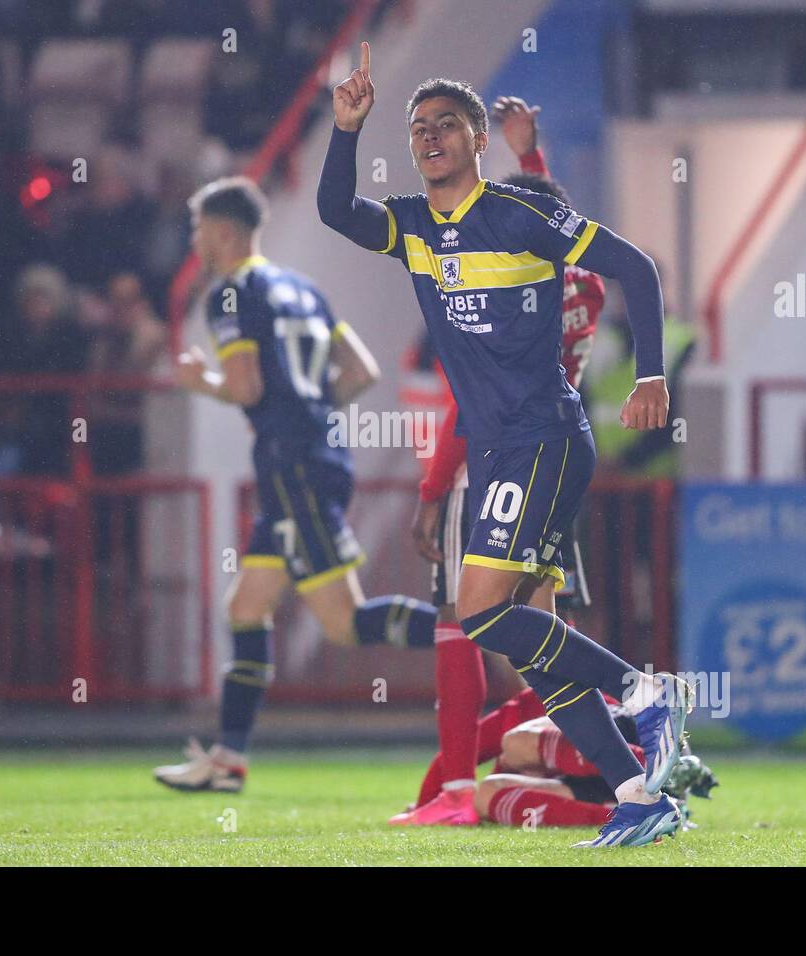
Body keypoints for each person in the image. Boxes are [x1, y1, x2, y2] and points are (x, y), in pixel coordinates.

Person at [318, 43, 690, 848]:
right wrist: (345, 130)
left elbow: (636, 269)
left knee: (483, 613)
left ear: (477, 140)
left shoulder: (520, 216)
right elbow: (334, 213)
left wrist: (651, 376)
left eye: (447, 124)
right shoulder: (414, 227)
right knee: (528, 640)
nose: (428, 137)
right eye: (418, 127)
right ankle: (638, 793)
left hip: (544, 440)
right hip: (495, 454)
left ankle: (643, 693)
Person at [153, 177, 439, 793]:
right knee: (246, 607)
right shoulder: (302, 289)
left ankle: (474, 627)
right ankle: (228, 759)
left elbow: (249, 389)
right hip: (314, 455)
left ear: (224, 231)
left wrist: (201, 381)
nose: (195, 239)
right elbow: (360, 371)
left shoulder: (230, 295)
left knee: (344, 623)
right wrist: (310, 411)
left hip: (293, 465)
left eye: (199, 228)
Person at [395, 95, 606, 826]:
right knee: (543, 633)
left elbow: (468, 397)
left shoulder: (502, 284)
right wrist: (532, 157)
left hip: (492, 465)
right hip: (558, 460)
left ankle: (455, 783)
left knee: (461, 617)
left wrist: (429, 487)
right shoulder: (588, 290)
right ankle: (620, 769)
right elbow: (555, 227)